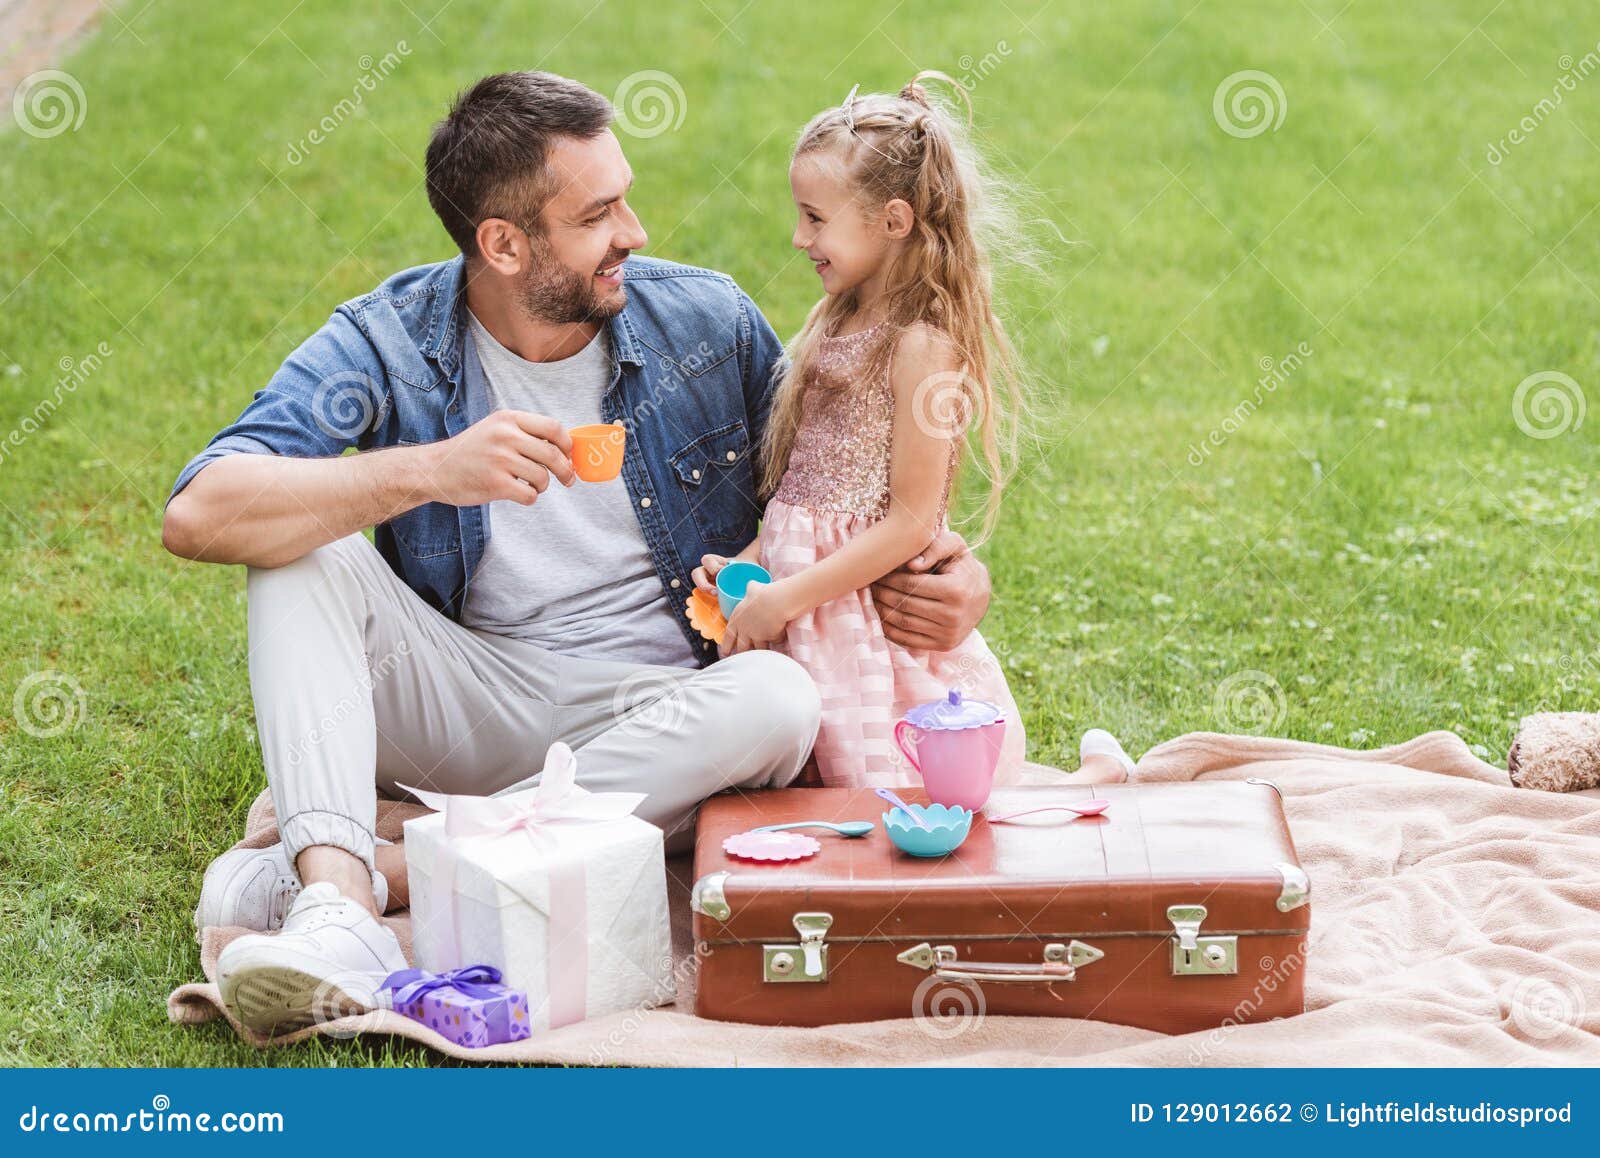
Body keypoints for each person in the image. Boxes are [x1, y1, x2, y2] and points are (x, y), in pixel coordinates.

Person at [161, 71, 994, 1035]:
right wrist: (430, 470)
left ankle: (369, 871)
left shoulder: (704, 323)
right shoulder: (391, 340)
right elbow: (199, 512)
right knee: (299, 556)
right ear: (504, 244)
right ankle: (349, 911)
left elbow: (835, 495)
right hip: (472, 695)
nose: (634, 232)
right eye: (599, 213)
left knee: (779, 700)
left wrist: (954, 577)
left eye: (625, 197)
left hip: (656, 711)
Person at [693, 74, 1136, 790]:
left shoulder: (923, 347)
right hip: (809, 601)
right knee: (825, 789)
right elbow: (804, 488)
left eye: (814, 218)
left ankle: (1096, 784)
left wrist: (788, 597)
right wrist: (747, 565)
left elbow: (909, 520)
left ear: (892, 221)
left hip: (861, 618)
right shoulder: (834, 322)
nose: (798, 237)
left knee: (905, 786)